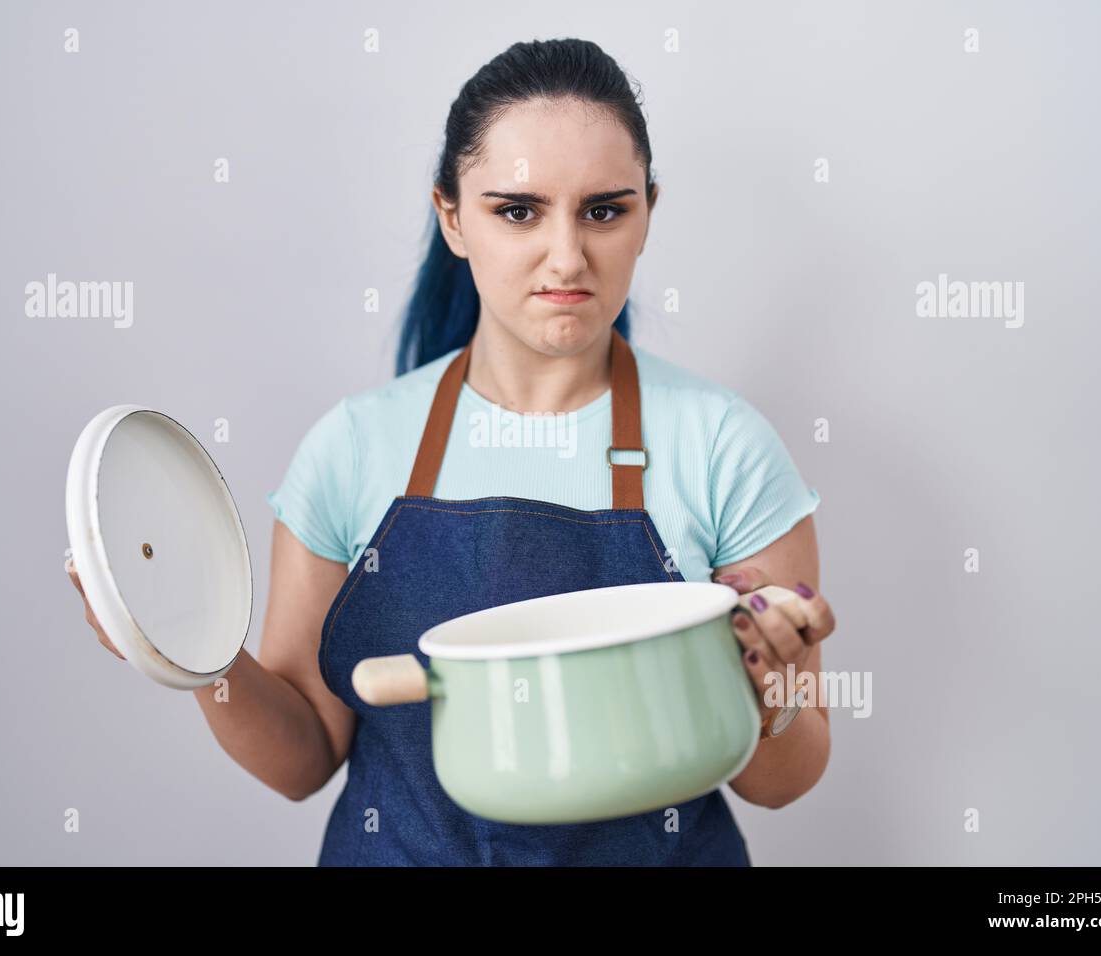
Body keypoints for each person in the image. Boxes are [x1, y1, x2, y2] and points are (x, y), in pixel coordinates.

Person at [70, 37, 836, 866]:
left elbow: (782, 779)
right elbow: (303, 759)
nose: (568, 256)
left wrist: (773, 696)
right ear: (452, 217)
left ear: (648, 212)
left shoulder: (726, 449)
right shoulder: (353, 450)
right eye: (518, 211)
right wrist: (194, 653)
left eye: (604, 210)